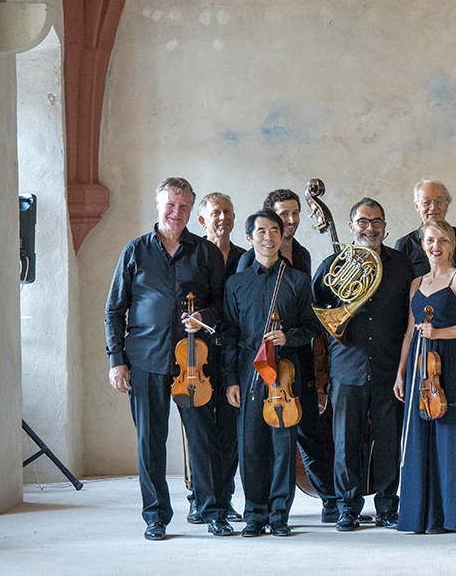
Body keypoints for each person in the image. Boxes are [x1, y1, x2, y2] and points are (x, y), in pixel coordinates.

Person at [105, 177, 229, 540]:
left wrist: (205, 316)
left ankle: (213, 511)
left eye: (184, 206)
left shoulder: (205, 253)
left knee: (203, 438)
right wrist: (117, 360)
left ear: (192, 209)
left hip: (194, 362)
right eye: (170, 205)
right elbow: (115, 310)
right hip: (145, 359)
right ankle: (155, 516)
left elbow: (223, 304)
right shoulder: (135, 251)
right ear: (159, 206)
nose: (177, 213)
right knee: (150, 441)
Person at [311, 197, 413, 530]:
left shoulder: (401, 264)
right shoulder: (332, 265)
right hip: (347, 366)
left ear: (385, 226)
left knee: (388, 442)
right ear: (352, 225)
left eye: (377, 222)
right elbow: (317, 315)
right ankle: (348, 507)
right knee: (345, 442)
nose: (371, 228)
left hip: (387, 367)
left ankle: (387, 505)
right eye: (363, 222)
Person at [239, 188, 338, 522]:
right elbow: (239, 321)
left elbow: (308, 314)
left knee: (303, 430)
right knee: (257, 441)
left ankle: (318, 501)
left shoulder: (302, 261)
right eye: (283, 214)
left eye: (295, 214)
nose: (290, 220)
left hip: (294, 361)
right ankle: (259, 510)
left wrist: (295, 337)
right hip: (257, 366)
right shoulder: (244, 269)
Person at [221, 210, 321, 538]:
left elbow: (311, 327)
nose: (268, 237)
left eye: (274, 231)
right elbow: (231, 334)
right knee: (251, 446)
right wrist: (231, 379)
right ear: (249, 239)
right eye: (261, 231)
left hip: (284, 374)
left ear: (281, 237)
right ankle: (254, 514)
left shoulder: (297, 280)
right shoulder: (236, 283)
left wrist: (287, 337)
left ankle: (279, 515)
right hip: (249, 374)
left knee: (282, 445)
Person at [393, 220, 456, 533]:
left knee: (449, 437)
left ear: (452, 245)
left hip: (449, 363)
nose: (436, 246)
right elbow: (409, 332)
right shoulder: (416, 283)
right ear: (422, 243)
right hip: (421, 366)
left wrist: (440, 332)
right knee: (419, 439)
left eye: (443, 240)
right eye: (430, 240)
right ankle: (423, 516)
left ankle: (453, 516)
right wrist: (401, 372)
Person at [188, 192, 246, 525]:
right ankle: (199, 498)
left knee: (228, 430)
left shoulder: (244, 257)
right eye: (215, 213)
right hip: (198, 353)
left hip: (232, 351)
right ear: (202, 220)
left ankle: (223, 499)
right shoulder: (193, 255)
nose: (222, 217)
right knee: (199, 432)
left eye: (227, 211)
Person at [396, 178, 456, 277]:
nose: (433, 207)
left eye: (438, 202)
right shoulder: (405, 245)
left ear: (446, 205)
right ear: (417, 206)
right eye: (426, 202)